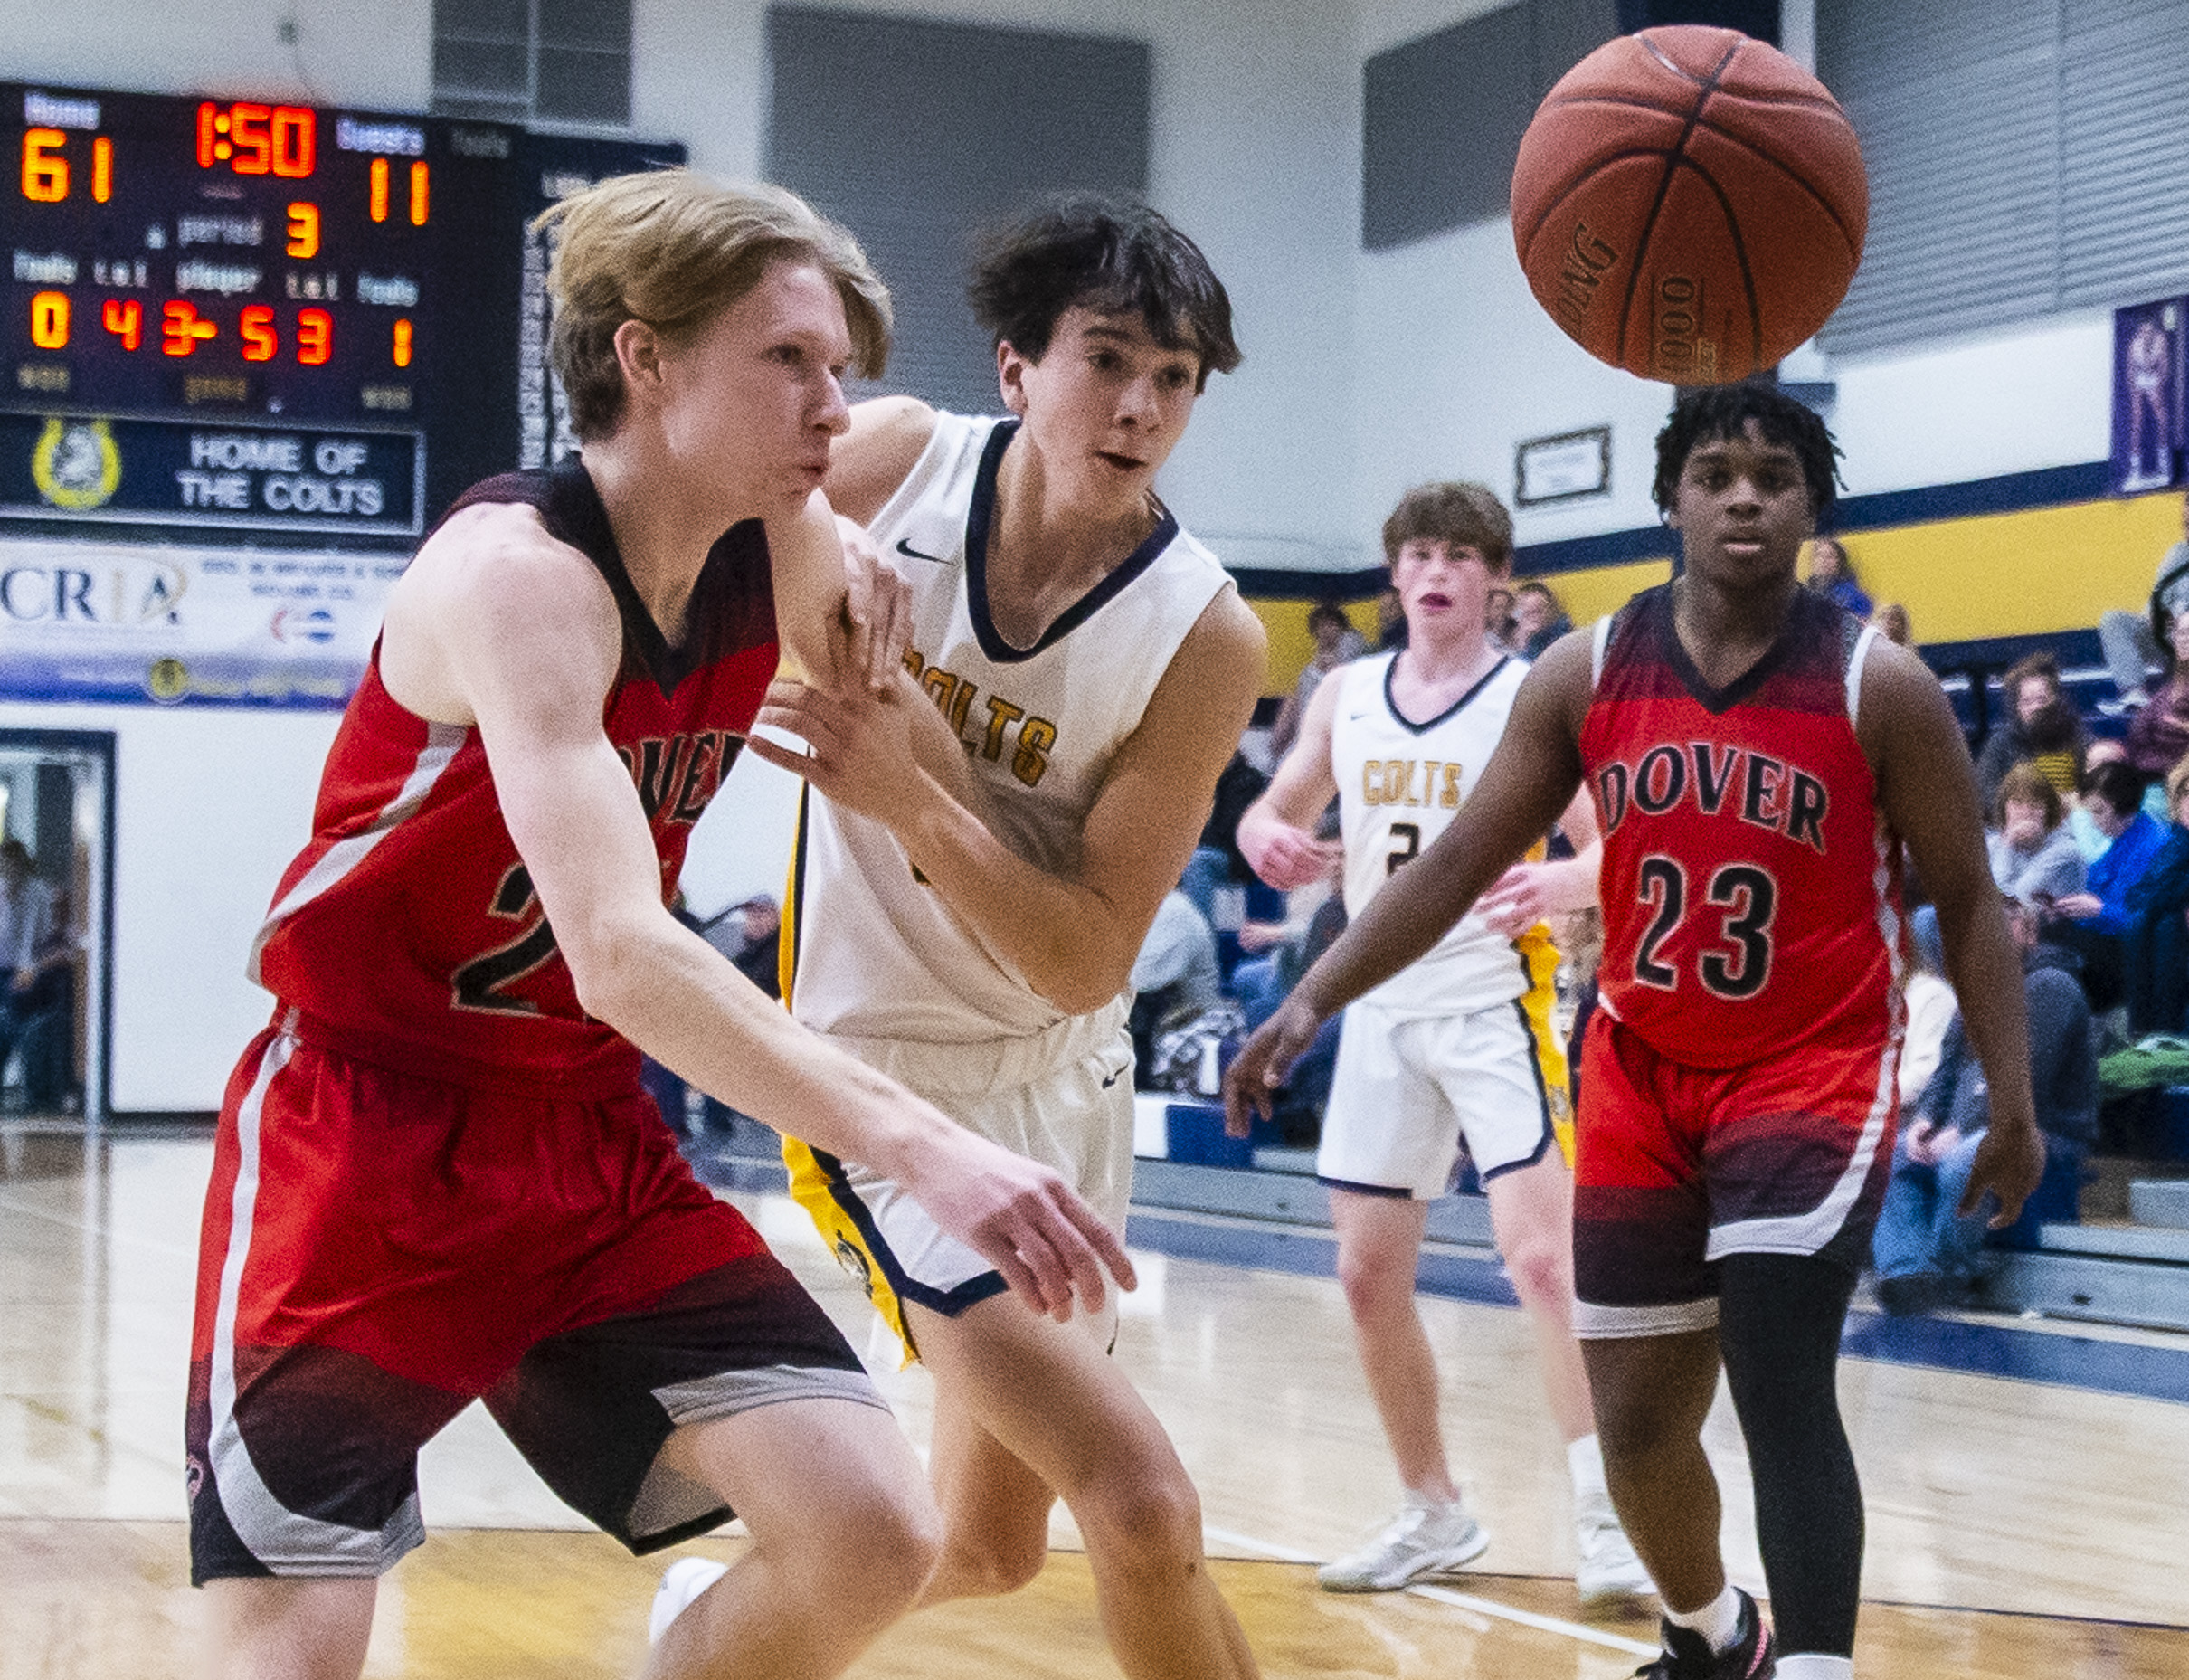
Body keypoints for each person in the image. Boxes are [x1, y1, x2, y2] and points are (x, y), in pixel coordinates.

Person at [186, 172, 1134, 1680]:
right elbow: (623, 951)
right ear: (647, 358)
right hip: (369, 1132)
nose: (838, 405)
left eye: (842, 368)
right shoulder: (519, 583)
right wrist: (927, 1138)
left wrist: (991, 832)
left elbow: (927, 784)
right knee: (291, 1649)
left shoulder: (792, 549)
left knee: (872, 1528)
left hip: (578, 1134)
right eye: (792, 363)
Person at [1226, 384, 2042, 1680]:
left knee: (1780, 1376)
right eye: (1715, 472)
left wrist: (2013, 1099)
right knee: (1637, 1428)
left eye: (1773, 476)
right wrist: (1310, 995)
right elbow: (1452, 864)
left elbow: (1970, 901)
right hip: (1642, 1072)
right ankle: (1716, 1636)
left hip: (1812, 1066)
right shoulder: (1588, 669)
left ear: (1810, 511)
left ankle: (1819, 1666)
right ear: (1670, 497)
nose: (1742, 496)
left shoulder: (1875, 684)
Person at [732, 195, 1267, 1680]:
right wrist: (812, 550)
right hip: (877, 1081)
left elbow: (1089, 956)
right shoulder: (895, 461)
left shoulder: (1205, 635)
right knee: (1144, 1501)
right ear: (1019, 367)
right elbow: (702, 506)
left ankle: (717, 1638)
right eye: (1112, 360)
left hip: (1063, 1080)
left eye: (1177, 377)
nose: (1145, 404)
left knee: (993, 1546)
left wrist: (918, 795)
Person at [1232, 481, 1649, 1608]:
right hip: (1375, 1007)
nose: (1436, 571)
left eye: (1460, 555)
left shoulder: (1535, 694)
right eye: (1418, 552)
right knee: (1366, 1274)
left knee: (1544, 1263)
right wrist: (1268, 835)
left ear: (1493, 580)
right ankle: (1431, 1509)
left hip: (1496, 1003)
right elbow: (1269, 807)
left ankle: (1607, 1517)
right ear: (1393, 575)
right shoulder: (1345, 693)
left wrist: (1566, 877)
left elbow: (1620, 846)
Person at [1872, 899, 2098, 1315]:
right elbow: (1946, 1067)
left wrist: (1959, 1129)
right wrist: (1926, 1119)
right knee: (1890, 1151)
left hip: (2042, 1134)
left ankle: (1947, 1274)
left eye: (2000, 925)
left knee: (1966, 1160)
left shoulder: (2052, 985)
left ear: (2028, 932)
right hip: (1970, 1127)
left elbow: (2023, 1077)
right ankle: (1906, 1273)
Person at [2099, 491, 2189, 705]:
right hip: (2175, 646)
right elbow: (2152, 613)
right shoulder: (2178, 554)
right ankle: (2135, 693)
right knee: (2113, 620)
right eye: (2186, 521)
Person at [1972, 651, 2091, 810]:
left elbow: (2099, 790)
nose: (2035, 707)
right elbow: (1985, 795)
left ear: (2056, 699)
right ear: (2017, 707)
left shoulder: (2078, 737)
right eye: (2027, 702)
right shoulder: (2000, 744)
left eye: (2042, 699)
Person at [1271, 600, 1367, 757]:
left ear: (1341, 630)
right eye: (1322, 625)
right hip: (1307, 744)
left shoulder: (1351, 668)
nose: (1326, 630)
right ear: (1315, 630)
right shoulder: (1307, 674)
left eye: (1332, 624)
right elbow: (1293, 711)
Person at [1986, 761, 2087, 906]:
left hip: (2049, 927)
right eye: (2017, 803)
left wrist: (2007, 845)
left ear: (2048, 812)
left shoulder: (2066, 851)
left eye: (2035, 805)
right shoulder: (1992, 845)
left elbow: (2019, 899)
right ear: (2004, 807)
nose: (2026, 813)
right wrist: (2006, 844)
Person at [1803, 536, 1872, 618]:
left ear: (1839, 562)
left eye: (1830, 556)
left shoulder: (1851, 596)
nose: (1824, 560)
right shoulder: (1806, 592)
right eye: (1819, 555)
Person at [1513, 578, 1575, 660]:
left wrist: (1524, 640)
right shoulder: (1527, 638)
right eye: (1527, 614)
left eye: (1537, 611)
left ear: (1550, 610)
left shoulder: (1562, 638)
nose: (1533, 618)